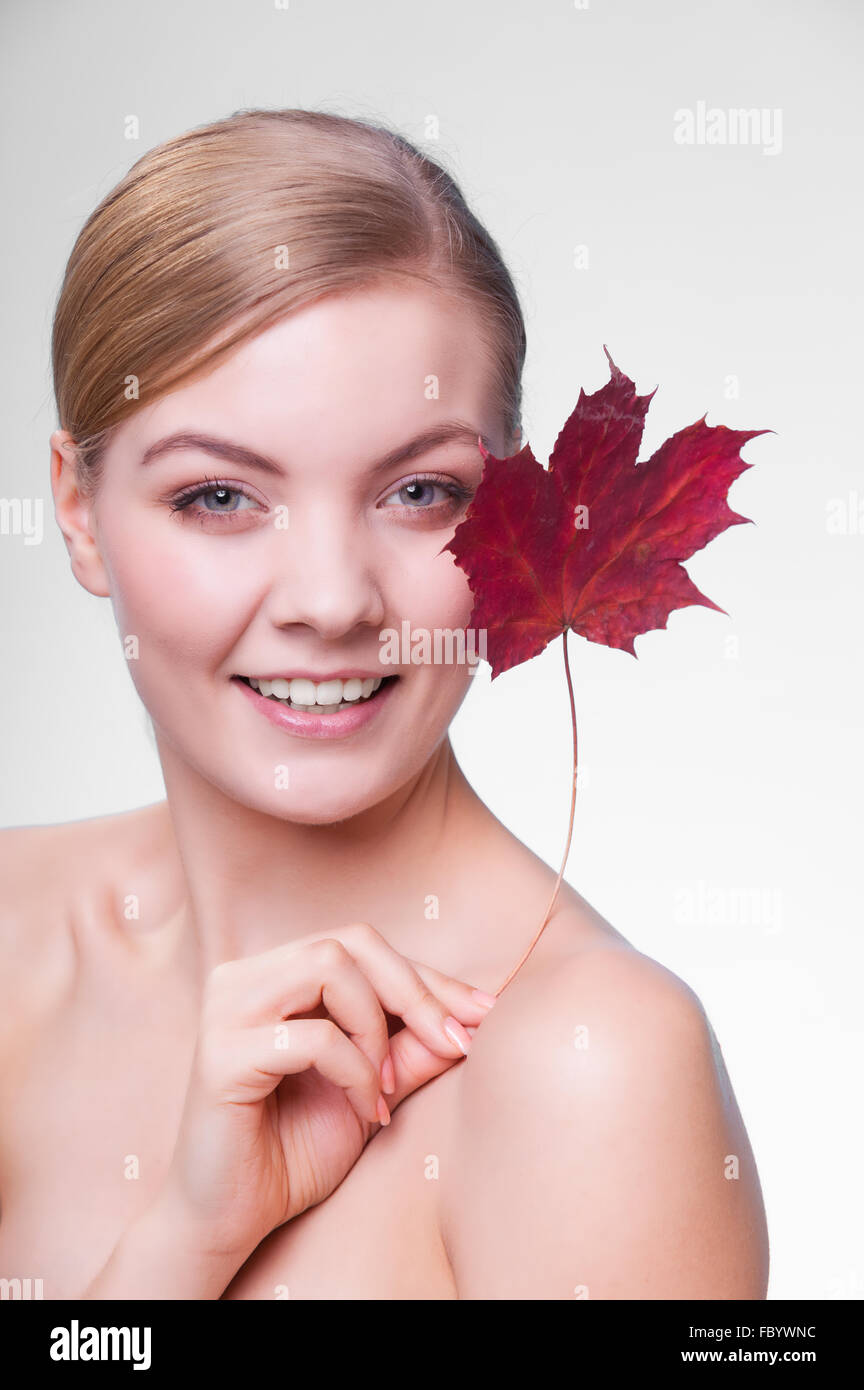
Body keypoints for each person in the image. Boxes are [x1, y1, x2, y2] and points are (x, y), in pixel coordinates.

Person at [0, 107, 769, 1300]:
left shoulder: (589, 1069)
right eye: (217, 496)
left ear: (515, 508)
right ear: (80, 509)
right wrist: (180, 1246)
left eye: (418, 490)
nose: (329, 600)